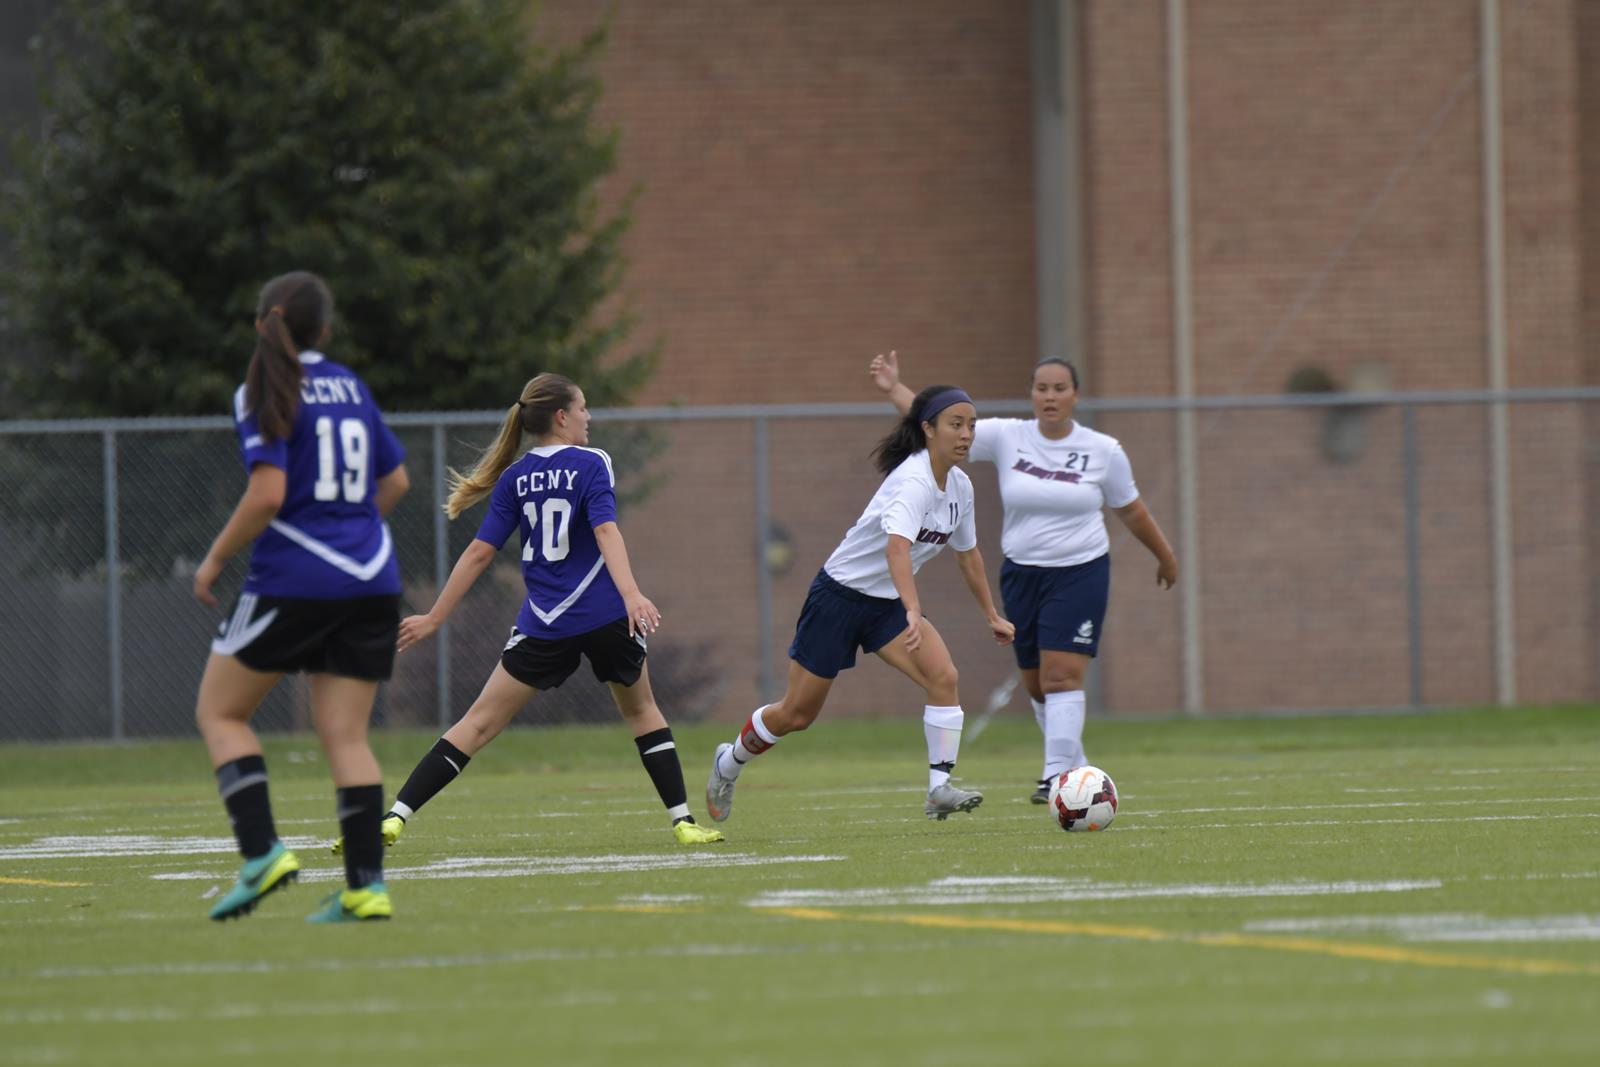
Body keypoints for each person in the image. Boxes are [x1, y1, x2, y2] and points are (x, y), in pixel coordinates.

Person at [342, 372, 725, 850]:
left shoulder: (514, 476)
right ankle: (683, 822)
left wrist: (435, 617)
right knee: (643, 711)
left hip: (545, 621)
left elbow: (479, 553)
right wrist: (631, 595)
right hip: (606, 612)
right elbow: (606, 532)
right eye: (583, 408)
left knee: (476, 724)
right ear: (562, 417)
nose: (589, 417)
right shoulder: (593, 461)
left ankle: (394, 818)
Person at [195, 271, 409, 923]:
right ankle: (365, 887)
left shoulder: (261, 387)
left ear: (268, 322)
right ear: (324, 329)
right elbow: (395, 480)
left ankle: (261, 853)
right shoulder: (352, 385)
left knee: (220, 713)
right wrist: (350, 533)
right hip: (374, 576)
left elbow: (267, 496)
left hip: (297, 577)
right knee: (346, 735)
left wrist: (214, 558)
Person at [870, 351, 1177, 802]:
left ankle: (1054, 776)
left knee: (1061, 677)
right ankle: (1076, 768)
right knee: (1037, 683)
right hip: (1022, 573)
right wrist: (895, 388)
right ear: (1032, 394)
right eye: (1041, 388)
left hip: (1081, 571)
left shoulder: (1102, 451)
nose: (1050, 396)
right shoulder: (1008, 436)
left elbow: (1131, 510)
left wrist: (1165, 556)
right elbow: (941, 425)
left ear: (1075, 395)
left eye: (1060, 388)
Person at [704, 384, 1015, 823]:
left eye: (971, 426)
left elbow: (968, 556)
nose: (966, 434)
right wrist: (912, 608)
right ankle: (728, 763)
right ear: (928, 430)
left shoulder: (961, 488)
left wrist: (991, 614)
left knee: (944, 676)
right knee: (797, 714)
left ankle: (938, 789)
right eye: (955, 424)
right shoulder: (913, 481)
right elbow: (896, 550)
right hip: (839, 598)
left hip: (887, 605)